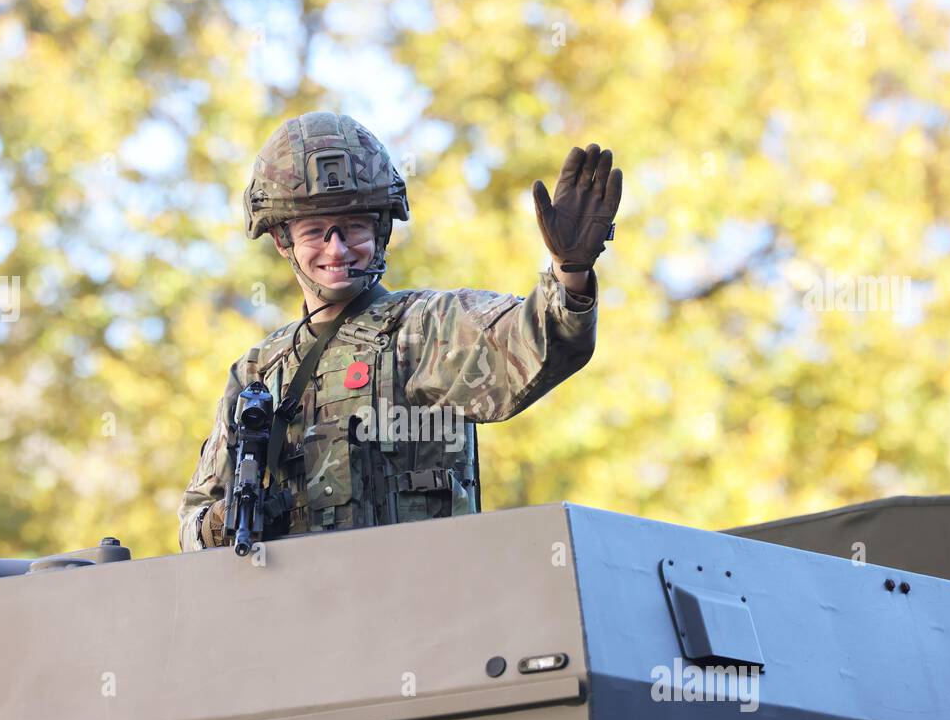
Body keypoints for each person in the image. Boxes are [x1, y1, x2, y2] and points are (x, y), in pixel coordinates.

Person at [178, 111, 621, 551]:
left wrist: (571, 270)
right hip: (297, 609)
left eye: (353, 226)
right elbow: (194, 520)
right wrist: (223, 521)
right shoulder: (258, 372)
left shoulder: (424, 327)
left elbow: (531, 343)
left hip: (421, 601)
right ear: (282, 241)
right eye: (315, 231)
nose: (337, 247)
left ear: (382, 230)